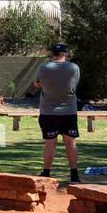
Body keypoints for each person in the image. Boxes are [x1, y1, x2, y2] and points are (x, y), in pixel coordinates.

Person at [35, 42, 81, 183]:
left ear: (52, 54)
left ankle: (46, 173)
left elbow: (37, 84)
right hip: (69, 111)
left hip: (48, 112)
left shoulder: (43, 68)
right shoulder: (74, 68)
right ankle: (74, 174)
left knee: (50, 143)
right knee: (70, 142)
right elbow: (74, 85)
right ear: (65, 54)